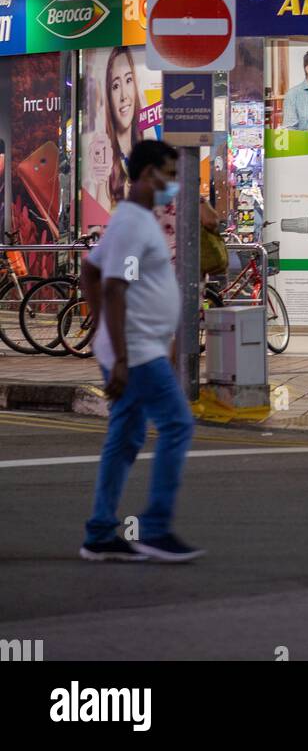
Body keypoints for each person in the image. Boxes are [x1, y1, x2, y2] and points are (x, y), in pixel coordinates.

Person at [79, 140, 203, 563]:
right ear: (148, 174)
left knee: (127, 436)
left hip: (139, 346)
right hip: (136, 349)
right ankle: (154, 529)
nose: (173, 183)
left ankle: (99, 532)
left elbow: (92, 269)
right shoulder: (133, 221)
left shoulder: (135, 220)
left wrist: (106, 335)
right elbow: (114, 286)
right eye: (169, 173)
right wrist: (121, 355)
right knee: (178, 424)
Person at [102, 46, 143, 211]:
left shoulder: (144, 152)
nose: (124, 96)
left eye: (128, 80)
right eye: (116, 86)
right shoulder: (105, 161)